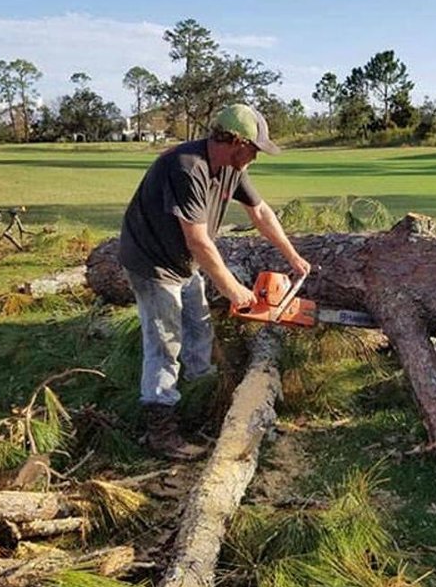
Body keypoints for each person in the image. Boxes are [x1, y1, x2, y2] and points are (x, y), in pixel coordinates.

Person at [118, 103, 310, 460]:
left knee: (200, 329)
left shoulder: (232, 168)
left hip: (183, 261)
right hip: (152, 261)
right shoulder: (187, 167)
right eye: (254, 149)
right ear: (236, 142)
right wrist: (233, 289)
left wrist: (292, 256)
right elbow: (198, 240)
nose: (256, 157)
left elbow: (260, 212)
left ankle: (200, 399)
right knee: (165, 343)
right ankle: (161, 430)